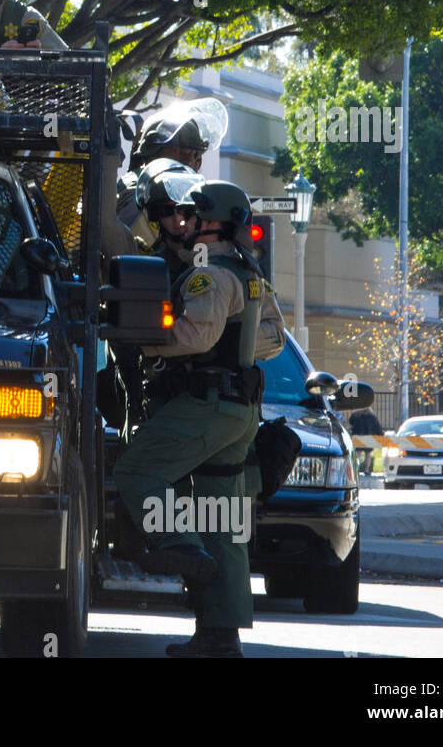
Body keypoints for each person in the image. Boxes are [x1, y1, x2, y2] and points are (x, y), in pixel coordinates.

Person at [113, 179, 266, 658]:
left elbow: (194, 337)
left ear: (212, 221)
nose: (185, 221)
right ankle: (221, 637)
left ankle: (179, 540)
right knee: (224, 521)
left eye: (193, 214)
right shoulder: (248, 272)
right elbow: (271, 340)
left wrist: (143, 338)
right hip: (240, 409)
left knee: (137, 470)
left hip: (207, 405)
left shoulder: (209, 275)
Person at [118, 98, 228, 229]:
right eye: (178, 151)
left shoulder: (179, 198)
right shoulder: (141, 196)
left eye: (194, 155)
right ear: (153, 153)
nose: (188, 161)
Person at [348, 408, 384, 475]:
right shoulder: (372, 417)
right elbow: (377, 427)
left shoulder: (356, 415)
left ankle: (355, 470)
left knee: (357, 454)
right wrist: (381, 435)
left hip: (358, 436)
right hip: (368, 437)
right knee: (368, 455)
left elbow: (350, 421)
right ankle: (366, 470)